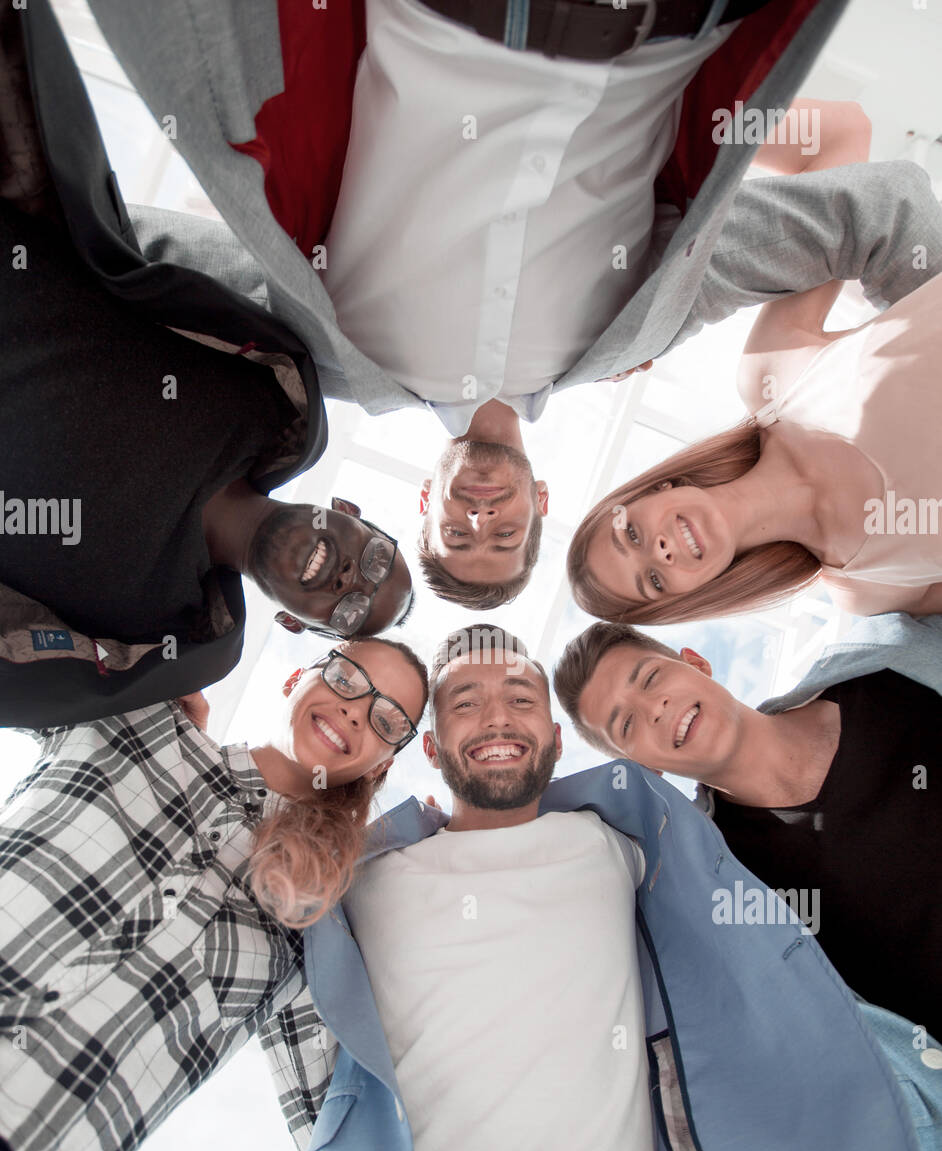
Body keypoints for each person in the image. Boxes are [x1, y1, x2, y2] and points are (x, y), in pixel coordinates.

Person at [71, 1, 942, 604]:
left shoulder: (321, 356)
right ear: (544, 506)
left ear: (425, 504)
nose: (482, 516)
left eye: (460, 534)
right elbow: (874, 214)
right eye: (503, 536)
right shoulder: (644, 332)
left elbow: (139, 250)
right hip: (675, 27)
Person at [277, 624, 928, 1151]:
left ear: (559, 741)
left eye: (522, 699)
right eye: (466, 702)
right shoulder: (365, 881)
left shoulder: (625, 847)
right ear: (434, 746)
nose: (498, 716)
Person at [0, 8, 414, 729]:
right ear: (349, 514)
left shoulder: (178, 628)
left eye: (351, 610)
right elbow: (158, 257)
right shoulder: (272, 399)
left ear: (298, 628)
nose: (352, 580)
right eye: (374, 562)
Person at [0, 637, 428, 1151]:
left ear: (381, 764)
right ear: (295, 678)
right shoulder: (135, 720)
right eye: (346, 677)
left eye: (388, 719)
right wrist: (146, 654)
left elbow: (342, 1140)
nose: (354, 712)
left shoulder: (312, 932)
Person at [553, 615, 942, 1151]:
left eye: (651, 677)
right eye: (628, 723)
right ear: (641, 765)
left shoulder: (886, 669)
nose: (655, 708)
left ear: (696, 661)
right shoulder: (723, 891)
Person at [567, 263, 942, 624]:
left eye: (632, 534)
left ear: (656, 489)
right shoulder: (866, 588)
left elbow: (844, 213)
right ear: (692, 594)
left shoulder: (770, 380)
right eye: (654, 581)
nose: (660, 553)